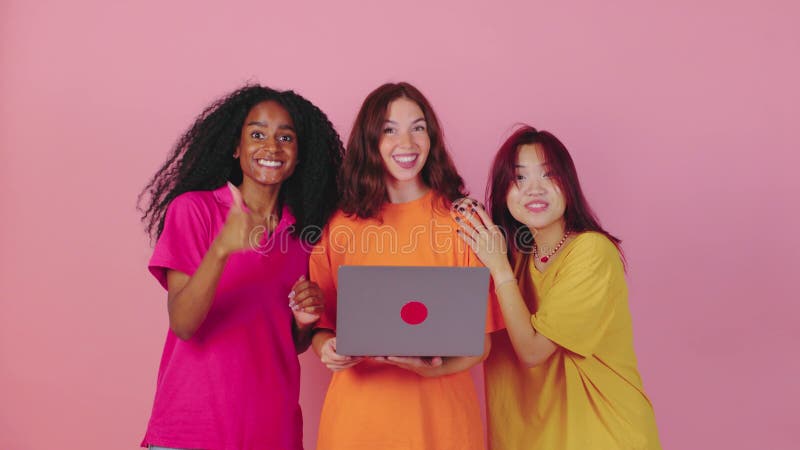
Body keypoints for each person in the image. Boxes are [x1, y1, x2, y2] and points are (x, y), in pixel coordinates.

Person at [137, 84, 344, 450]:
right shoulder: (194, 210)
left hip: (272, 432)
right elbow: (184, 324)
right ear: (236, 147)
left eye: (286, 137)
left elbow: (288, 344)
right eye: (257, 134)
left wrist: (304, 320)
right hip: (191, 432)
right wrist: (221, 249)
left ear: (299, 156)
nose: (271, 147)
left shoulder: (303, 232)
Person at [308, 82, 503, 450]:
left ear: (431, 137)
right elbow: (322, 326)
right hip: (356, 427)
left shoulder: (464, 221)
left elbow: (480, 344)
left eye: (418, 127)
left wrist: (433, 367)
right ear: (369, 141)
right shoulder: (339, 225)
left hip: (442, 429)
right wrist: (326, 350)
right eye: (389, 130)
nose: (407, 143)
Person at [454, 125, 661, 450]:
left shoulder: (591, 251)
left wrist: (499, 268)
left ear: (569, 185)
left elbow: (532, 350)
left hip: (602, 435)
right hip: (530, 438)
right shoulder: (514, 256)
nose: (533, 189)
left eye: (548, 175)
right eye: (519, 178)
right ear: (504, 191)